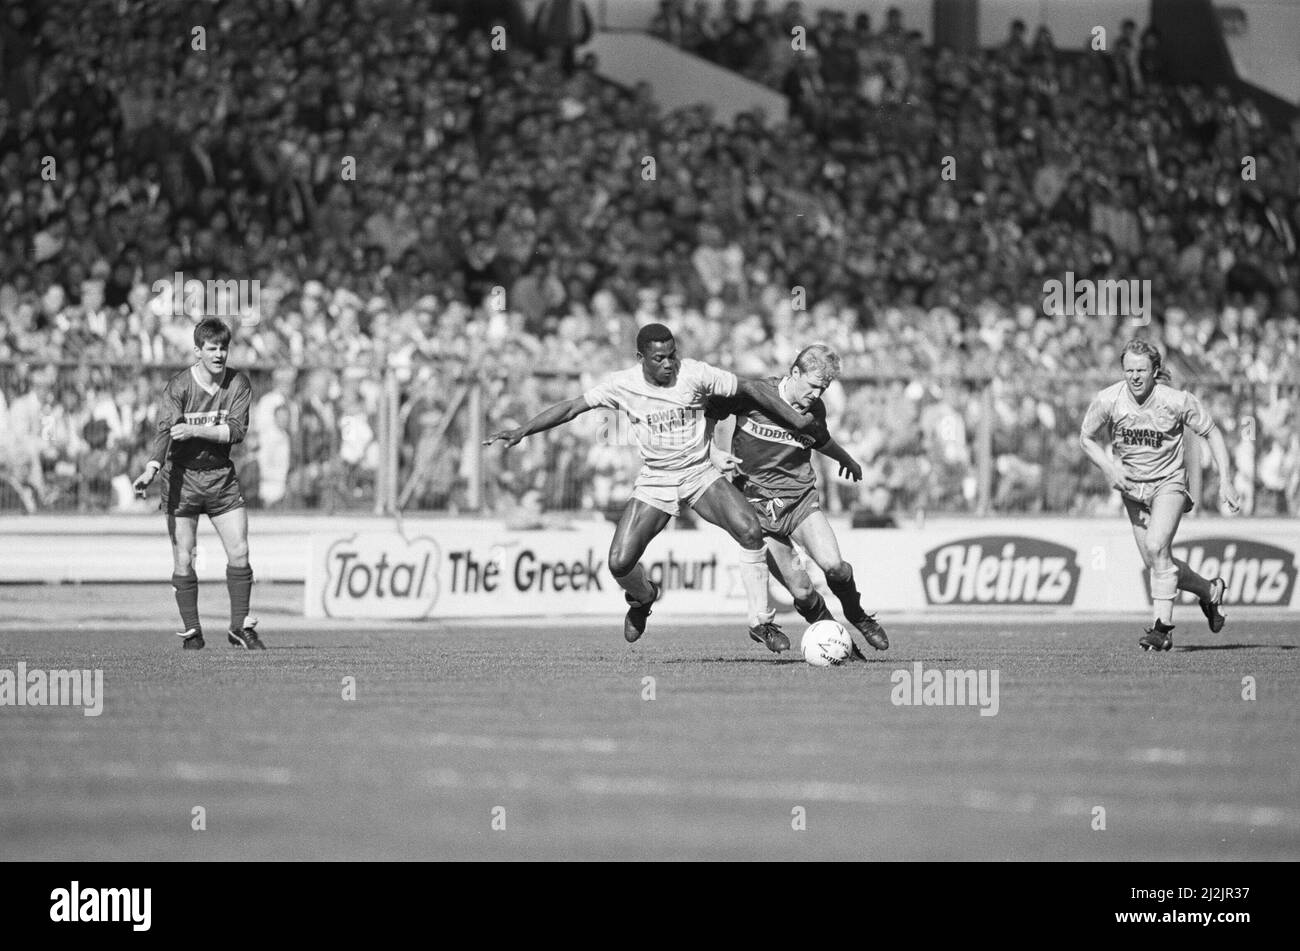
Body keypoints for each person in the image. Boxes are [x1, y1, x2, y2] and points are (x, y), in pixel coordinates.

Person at [483, 322, 824, 652]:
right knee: (619, 562)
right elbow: (573, 407)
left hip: (699, 473)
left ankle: (760, 622)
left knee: (750, 530)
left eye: (672, 355)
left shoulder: (695, 373)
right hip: (656, 480)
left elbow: (748, 387)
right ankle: (643, 596)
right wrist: (522, 430)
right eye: (659, 358)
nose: (668, 364)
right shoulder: (622, 384)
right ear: (640, 358)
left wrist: (794, 419)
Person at [706, 344, 889, 658]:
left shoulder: (815, 410)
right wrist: (712, 451)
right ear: (794, 372)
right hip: (758, 509)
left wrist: (848, 459)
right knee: (803, 591)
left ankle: (858, 615)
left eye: (824, 388)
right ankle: (844, 644)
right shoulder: (754, 395)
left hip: (800, 501)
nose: (817, 394)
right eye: (814, 385)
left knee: (835, 567)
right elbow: (710, 410)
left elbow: (821, 440)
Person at [1079, 339, 1239, 652]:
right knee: (1157, 561)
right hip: (1132, 489)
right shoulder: (1109, 399)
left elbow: (1212, 433)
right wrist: (1111, 470)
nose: (1134, 376)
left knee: (1156, 546)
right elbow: (1086, 438)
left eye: (1141, 369)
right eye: (1129, 370)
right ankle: (1210, 591)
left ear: (1155, 370)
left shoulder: (1177, 401)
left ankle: (1161, 629)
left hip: (1169, 483)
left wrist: (1226, 480)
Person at [131, 318, 263, 650]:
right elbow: (165, 431)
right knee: (184, 557)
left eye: (223, 348)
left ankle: (239, 627)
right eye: (212, 348)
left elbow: (236, 431)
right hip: (182, 479)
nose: (219, 354)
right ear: (197, 351)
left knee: (240, 550)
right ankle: (192, 630)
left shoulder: (238, 384)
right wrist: (151, 468)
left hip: (220, 477)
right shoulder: (179, 387)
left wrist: (195, 430)